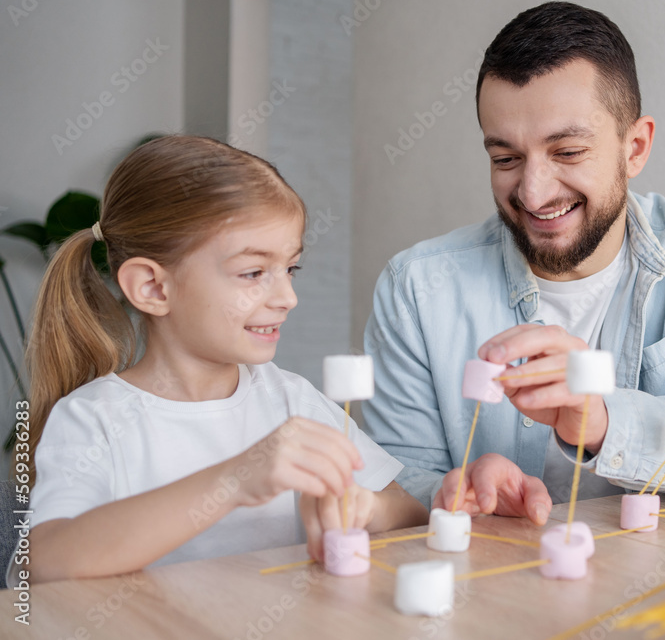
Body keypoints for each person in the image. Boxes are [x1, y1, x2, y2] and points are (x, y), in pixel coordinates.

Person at [363, 2, 665, 523]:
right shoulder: (417, 288)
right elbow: (397, 482)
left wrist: (600, 422)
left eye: (568, 152)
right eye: (505, 159)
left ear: (635, 147)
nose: (533, 193)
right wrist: (460, 492)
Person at [14, 136, 427, 584]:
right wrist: (234, 480)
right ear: (153, 288)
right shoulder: (92, 418)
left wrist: (366, 508)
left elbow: (410, 513)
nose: (287, 297)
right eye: (253, 273)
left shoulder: (291, 400)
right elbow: (44, 561)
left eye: (291, 269)